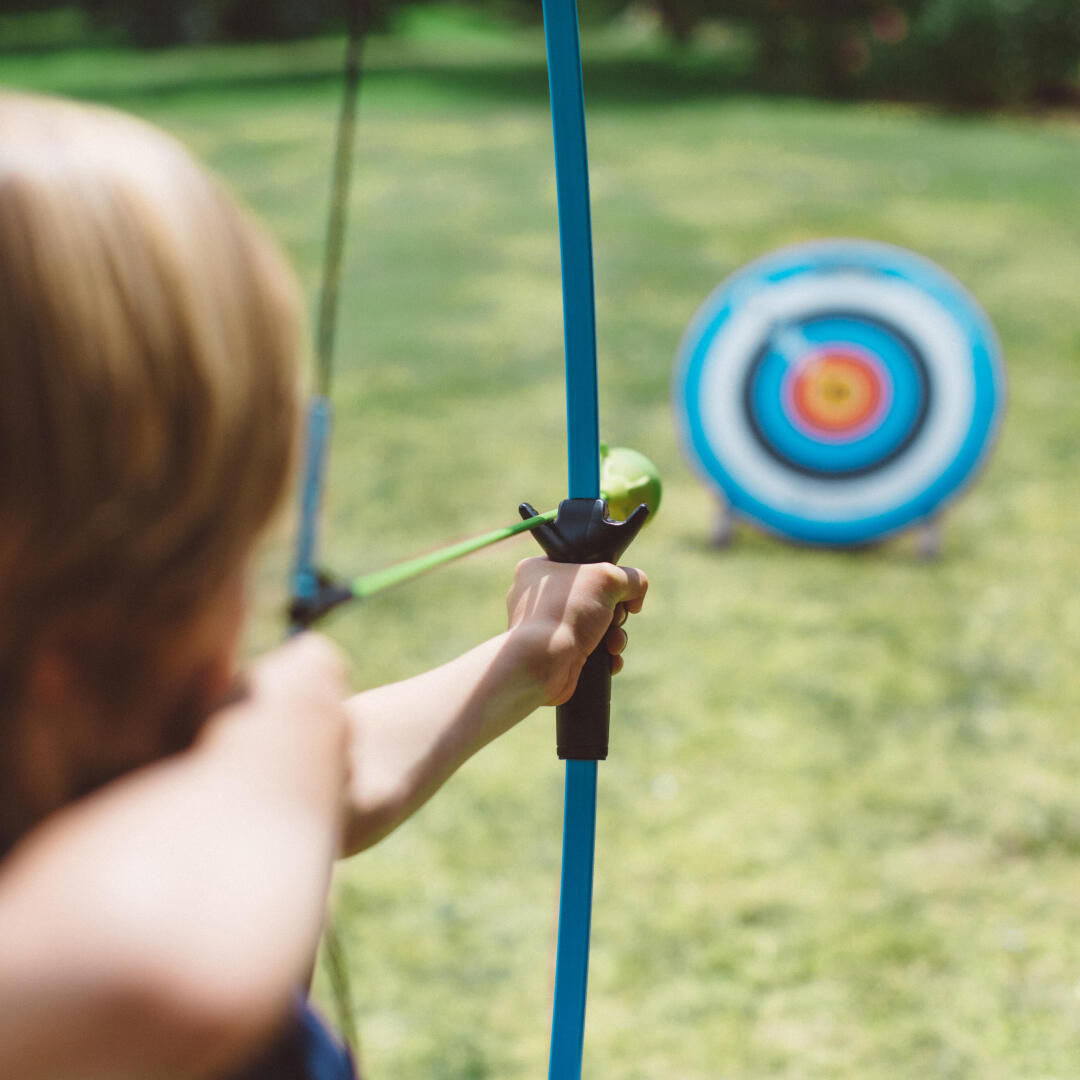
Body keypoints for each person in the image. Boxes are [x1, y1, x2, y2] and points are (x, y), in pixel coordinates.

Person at [0, 92, 648, 1079]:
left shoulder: (149, 785)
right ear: (88, 647)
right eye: (228, 556)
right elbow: (163, 958)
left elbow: (323, 788)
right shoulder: (128, 948)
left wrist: (523, 665)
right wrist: (293, 724)